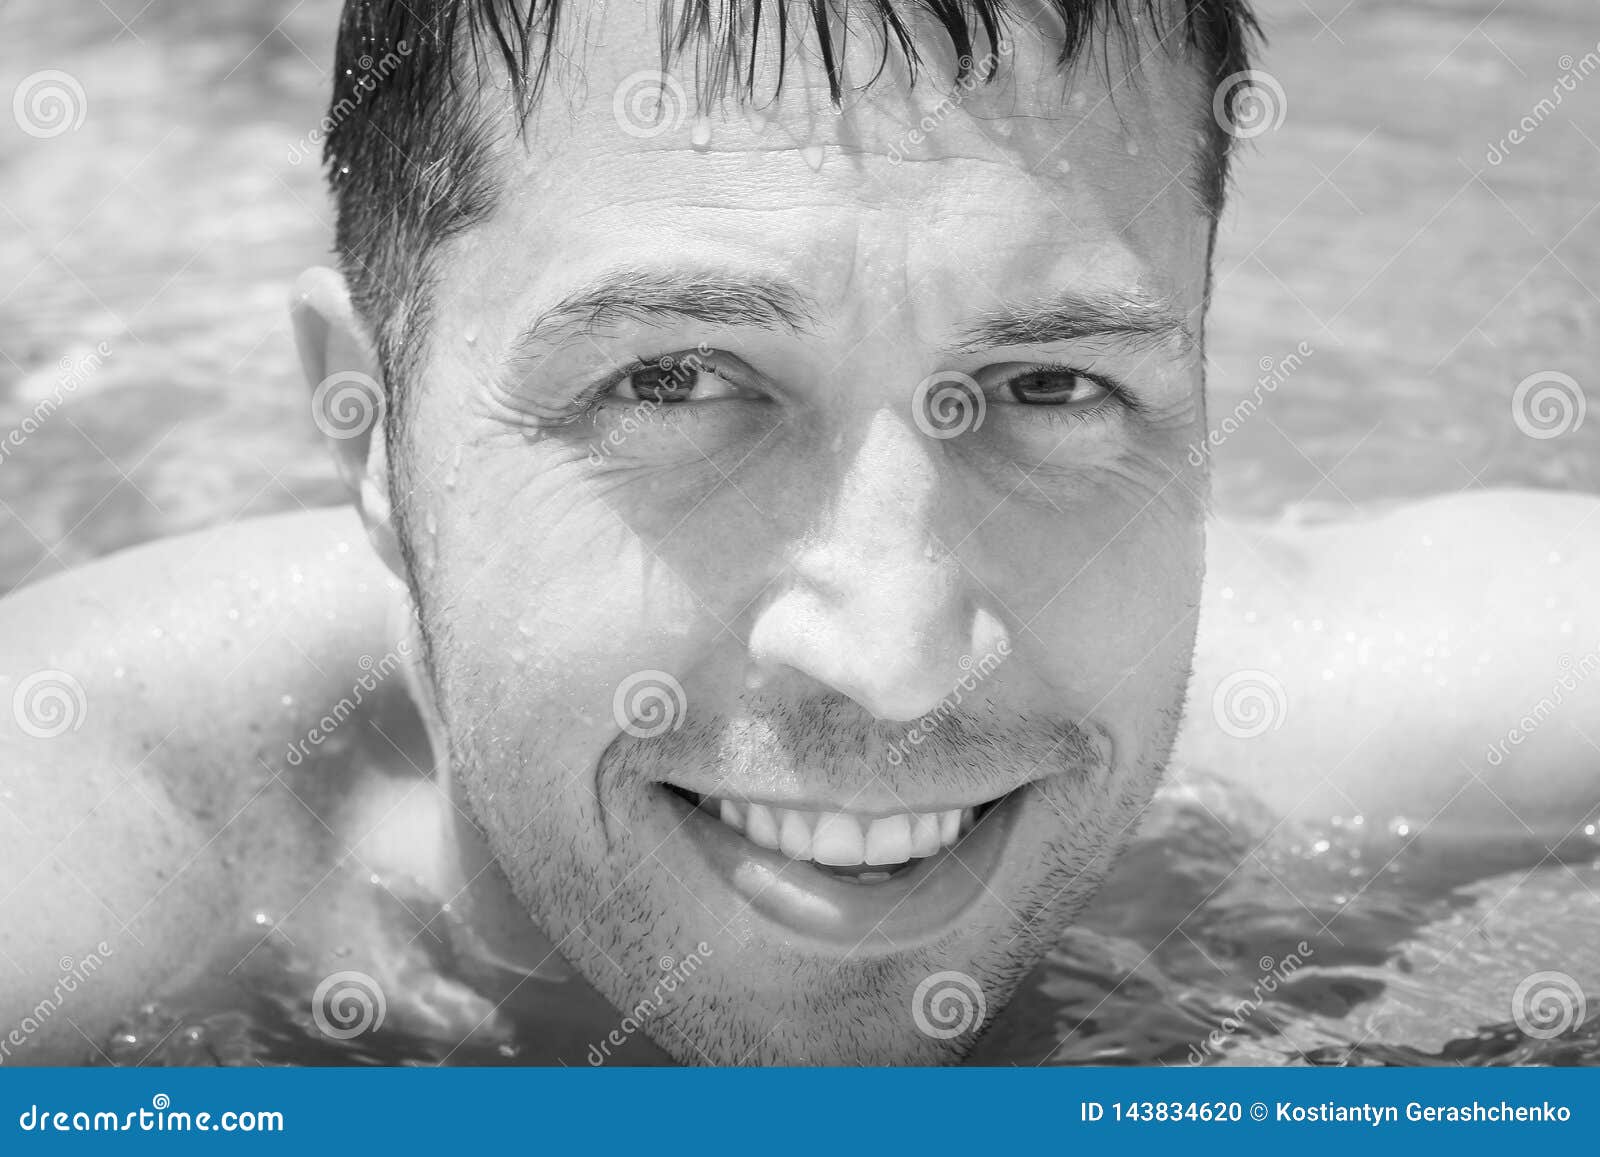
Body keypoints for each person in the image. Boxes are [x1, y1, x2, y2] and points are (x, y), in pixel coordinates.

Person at [2, 0, 1596, 1065]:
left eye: (1049, 381)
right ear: (361, 423)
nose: (897, 659)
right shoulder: (76, 874)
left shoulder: (1415, 718)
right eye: (674, 379)